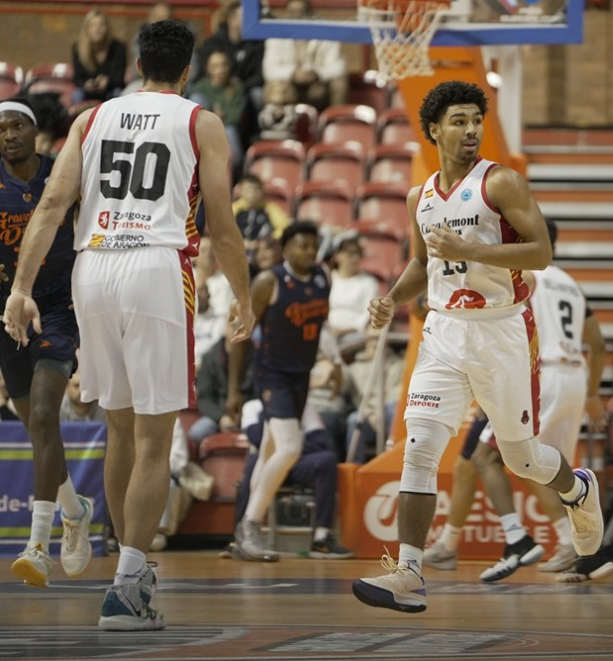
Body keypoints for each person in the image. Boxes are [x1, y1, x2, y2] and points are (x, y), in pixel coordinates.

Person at [4, 20, 254, 631]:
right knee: (153, 437)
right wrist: (244, 298)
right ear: (188, 70)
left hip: (92, 267)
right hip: (156, 267)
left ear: (137, 65)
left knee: (119, 428)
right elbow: (222, 225)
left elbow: (52, 205)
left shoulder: (91, 118)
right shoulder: (201, 122)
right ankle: (128, 587)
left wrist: (20, 287)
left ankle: (126, 573)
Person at [351, 81, 604, 614]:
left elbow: (541, 253)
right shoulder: (418, 197)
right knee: (420, 447)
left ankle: (577, 488)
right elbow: (422, 263)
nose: (471, 130)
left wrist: (472, 248)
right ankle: (409, 572)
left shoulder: (501, 183)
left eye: (476, 120)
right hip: (444, 330)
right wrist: (392, 299)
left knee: (521, 459)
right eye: (459, 121)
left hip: (503, 330)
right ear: (434, 130)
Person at [424, 219, 609, 582]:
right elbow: (598, 344)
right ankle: (588, 552)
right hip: (574, 378)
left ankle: (536, 541)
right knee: (553, 470)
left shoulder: (523, 273)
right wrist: (592, 394)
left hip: (539, 372)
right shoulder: (570, 284)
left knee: (499, 459)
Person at [0, 98, 94, 589]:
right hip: (9, 309)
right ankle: (75, 511)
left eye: (17, 125)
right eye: (1, 129)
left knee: (42, 415)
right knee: (37, 428)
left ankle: (37, 546)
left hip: (58, 305)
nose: (8, 135)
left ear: (35, 131)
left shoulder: (63, 173)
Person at [226, 221, 342, 561]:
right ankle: (250, 525)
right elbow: (241, 334)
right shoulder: (269, 281)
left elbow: (321, 322)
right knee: (290, 449)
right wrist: (234, 389)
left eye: (314, 246)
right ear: (286, 249)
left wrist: (335, 361)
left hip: (301, 374)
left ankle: (244, 534)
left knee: (268, 453)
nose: (310, 252)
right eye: (303, 246)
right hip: (272, 374)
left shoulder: (323, 277)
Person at [231, 400, 353, 560]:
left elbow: (320, 441)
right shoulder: (253, 406)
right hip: (267, 464)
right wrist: (275, 420)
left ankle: (322, 538)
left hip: (295, 463)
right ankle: (241, 537)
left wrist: (291, 447)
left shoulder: (305, 405)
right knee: (254, 462)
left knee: (327, 459)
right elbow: (256, 438)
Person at [71, 9, 128, 103]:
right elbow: (77, 77)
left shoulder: (118, 47)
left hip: (111, 89)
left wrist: (107, 81)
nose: (97, 29)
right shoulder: (77, 48)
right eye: (93, 25)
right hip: (87, 91)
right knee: (77, 95)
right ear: (86, 29)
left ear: (107, 28)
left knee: (118, 93)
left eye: (101, 25)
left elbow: (119, 76)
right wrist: (86, 84)